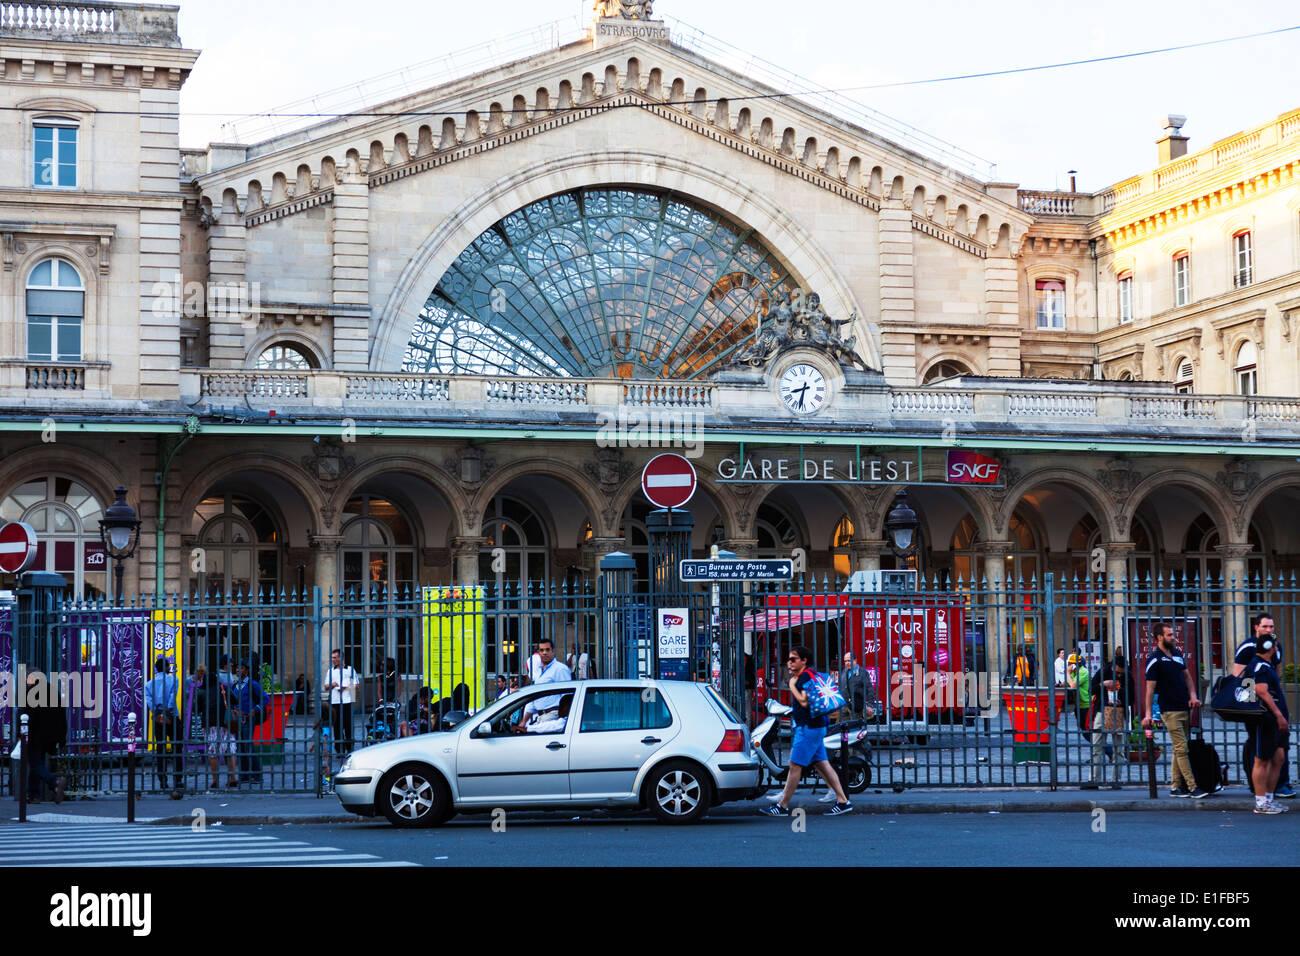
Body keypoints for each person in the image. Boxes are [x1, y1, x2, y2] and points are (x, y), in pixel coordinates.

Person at [759, 645, 853, 817]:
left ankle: (782, 805)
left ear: (804, 661)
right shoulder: (808, 675)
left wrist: (792, 685)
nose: (789, 662)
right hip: (815, 727)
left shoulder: (801, 678)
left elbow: (805, 702)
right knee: (822, 764)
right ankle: (843, 801)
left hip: (808, 728)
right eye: (788, 659)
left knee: (795, 765)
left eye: (793, 659)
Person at [1234, 614, 1294, 798]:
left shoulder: (1276, 648)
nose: (1269, 630)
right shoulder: (1248, 647)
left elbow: (1276, 674)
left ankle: (1279, 785)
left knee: (1279, 751)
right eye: (1265, 626)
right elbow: (1239, 677)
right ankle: (1259, 790)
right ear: (1256, 627)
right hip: (1258, 709)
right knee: (1261, 751)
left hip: (1273, 703)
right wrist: (1254, 706)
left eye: (1271, 627)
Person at [1143, 623, 1206, 798]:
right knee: (1181, 748)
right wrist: (1148, 714)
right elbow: (1149, 689)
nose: (1173, 637)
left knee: (1179, 748)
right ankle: (1192, 787)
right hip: (1169, 710)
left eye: (1173, 634)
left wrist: (1193, 695)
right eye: (1169, 635)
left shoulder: (1177, 654)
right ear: (1159, 638)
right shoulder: (1154, 659)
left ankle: (1175, 786)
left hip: (1184, 707)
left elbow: (1187, 677)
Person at [1243, 636, 1290, 814]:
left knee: (1278, 758)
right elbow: (1260, 691)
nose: (1277, 650)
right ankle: (1261, 802)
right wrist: (1278, 715)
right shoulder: (1259, 666)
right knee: (1261, 759)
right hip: (1266, 720)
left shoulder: (1266, 666)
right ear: (1270, 648)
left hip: (1275, 721)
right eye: (1276, 647)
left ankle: (1269, 798)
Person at [1083, 651, 1131, 790]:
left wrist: (1121, 695)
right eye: (1117, 672)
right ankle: (1094, 780)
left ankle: (1116, 780)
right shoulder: (1102, 672)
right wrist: (1102, 684)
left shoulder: (1128, 676)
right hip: (1101, 711)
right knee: (1096, 746)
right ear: (1112, 667)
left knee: (1118, 749)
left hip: (1119, 712)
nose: (1119, 675)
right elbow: (1090, 690)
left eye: (1121, 673)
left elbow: (1132, 697)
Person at [19, 672, 66, 804]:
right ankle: (33, 794)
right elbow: (62, 716)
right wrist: (62, 738)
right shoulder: (53, 692)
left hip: (35, 736)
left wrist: (21, 735)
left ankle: (54, 782)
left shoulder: (31, 693)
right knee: (37, 763)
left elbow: (28, 716)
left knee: (35, 764)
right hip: (50, 737)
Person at [515, 638, 571, 732]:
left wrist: (562, 719)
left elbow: (567, 696)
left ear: (553, 651)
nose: (544, 653)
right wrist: (524, 721)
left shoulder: (560, 669)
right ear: (538, 653)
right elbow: (534, 699)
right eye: (542, 650)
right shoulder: (539, 671)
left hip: (553, 717)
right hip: (541, 717)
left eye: (547, 649)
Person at [197, 662, 238, 790]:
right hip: (226, 722)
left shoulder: (202, 692)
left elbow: (196, 709)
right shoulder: (223, 688)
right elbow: (235, 700)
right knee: (229, 751)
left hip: (210, 724)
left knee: (213, 752)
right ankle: (232, 778)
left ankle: (215, 779)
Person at [145, 655, 181, 796]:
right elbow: (173, 695)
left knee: (160, 748)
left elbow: (149, 701)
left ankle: (162, 779)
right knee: (177, 746)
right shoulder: (174, 679)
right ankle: (178, 778)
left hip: (158, 717)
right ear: (167, 667)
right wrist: (168, 710)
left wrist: (158, 712)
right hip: (171, 715)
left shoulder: (149, 684)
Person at [229, 659, 265, 786]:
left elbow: (265, 699)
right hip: (237, 719)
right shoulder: (234, 685)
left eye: (242, 668)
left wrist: (255, 709)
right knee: (240, 747)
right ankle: (244, 775)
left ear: (247, 670)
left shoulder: (252, 684)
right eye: (237, 668)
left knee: (249, 746)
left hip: (249, 718)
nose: (239, 670)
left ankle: (257, 775)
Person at [323, 648, 359, 755]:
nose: (333, 659)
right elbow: (325, 687)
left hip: (347, 701)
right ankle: (339, 749)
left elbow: (356, 685)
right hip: (334, 701)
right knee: (337, 726)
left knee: (348, 725)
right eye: (332, 657)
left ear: (340, 658)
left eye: (334, 657)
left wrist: (346, 687)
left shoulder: (350, 670)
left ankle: (349, 747)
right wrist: (332, 685)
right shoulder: (331, 671)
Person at [840, 652, 874, 719]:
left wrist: (870, 705)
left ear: (855, 660)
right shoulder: (844, 671)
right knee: (844, 727)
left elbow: (869, 689)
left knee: (855, 727)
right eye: (845, 661)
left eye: (849, 661)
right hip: (844, 706)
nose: (847, 663)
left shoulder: (862, 672)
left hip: (856, 706)